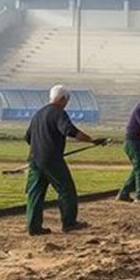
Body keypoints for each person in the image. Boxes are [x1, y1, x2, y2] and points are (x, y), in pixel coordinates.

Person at [24, 84, 104, 235]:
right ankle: (69, 223)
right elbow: (69, 130)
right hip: (52, 160)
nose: (67, 103)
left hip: (34, 159)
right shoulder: (58, 113)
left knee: (35, 193)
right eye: (67, 100)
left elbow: (28, 137)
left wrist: (40, 146)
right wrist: (91, 140)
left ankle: (33, 227)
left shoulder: (39, 114)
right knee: (66, 190)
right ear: (63, 99)